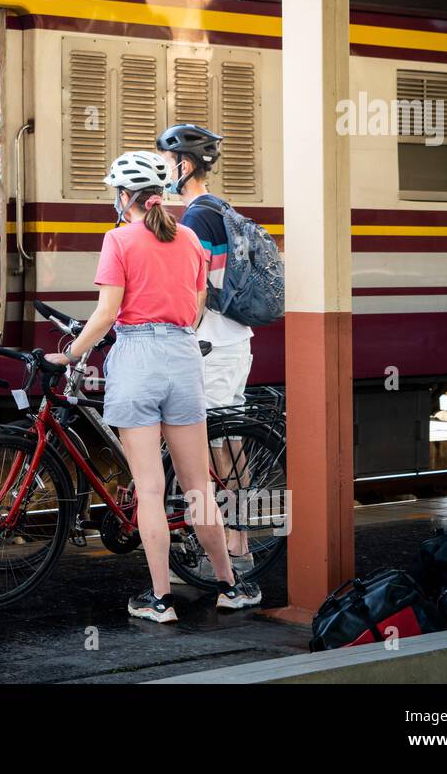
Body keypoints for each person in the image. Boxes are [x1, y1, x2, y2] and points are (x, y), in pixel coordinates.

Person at [47, 151, 261, 623]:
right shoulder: (188, 239)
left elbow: (106, 314)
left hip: (138, 358)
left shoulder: (118, 239)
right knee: (199, 487)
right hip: (184, 358)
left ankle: (161, 599)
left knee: (149, 489)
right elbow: (198, 306)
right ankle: (231, 586)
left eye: (116, 195)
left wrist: (69, 354)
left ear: (126, 198)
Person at [156, 124, 256, 573]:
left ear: (184, 165)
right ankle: (239, 546)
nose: (161, 169)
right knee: (231, 446)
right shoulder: (220, 208)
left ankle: (230, 556)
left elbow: (193, 293)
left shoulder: (196, 218)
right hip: (233, 342)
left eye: (165, 161)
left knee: (212, 452)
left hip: (213, 345)